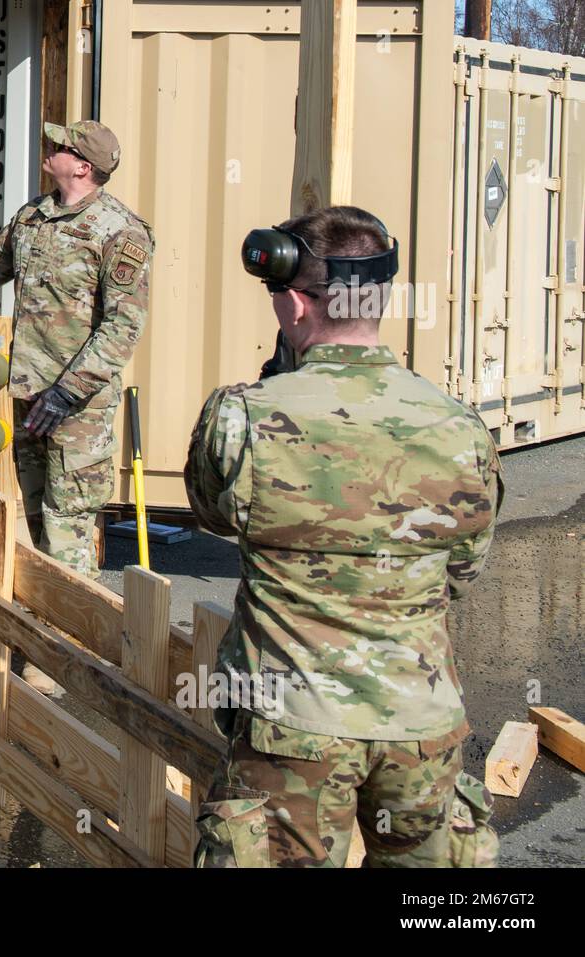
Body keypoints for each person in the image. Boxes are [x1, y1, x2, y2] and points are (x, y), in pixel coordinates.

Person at [185, 205, 502, 868]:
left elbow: (214, 513)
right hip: (421, 725)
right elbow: (461, 571)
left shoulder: (243, 418)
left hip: (295, 729)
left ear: (300, 306)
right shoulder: (463, 429)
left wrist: (279, 385)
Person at [0, 119, 152, 693]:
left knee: (70, 524)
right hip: (32, 396)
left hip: (76, 408)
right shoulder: (33, 216)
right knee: (37, 520)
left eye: (59, 147)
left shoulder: (121, 232)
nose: (47, 150)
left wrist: (68, 390)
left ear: (82, 165)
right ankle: (50, 631)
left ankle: (69, 657)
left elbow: (122, 327)